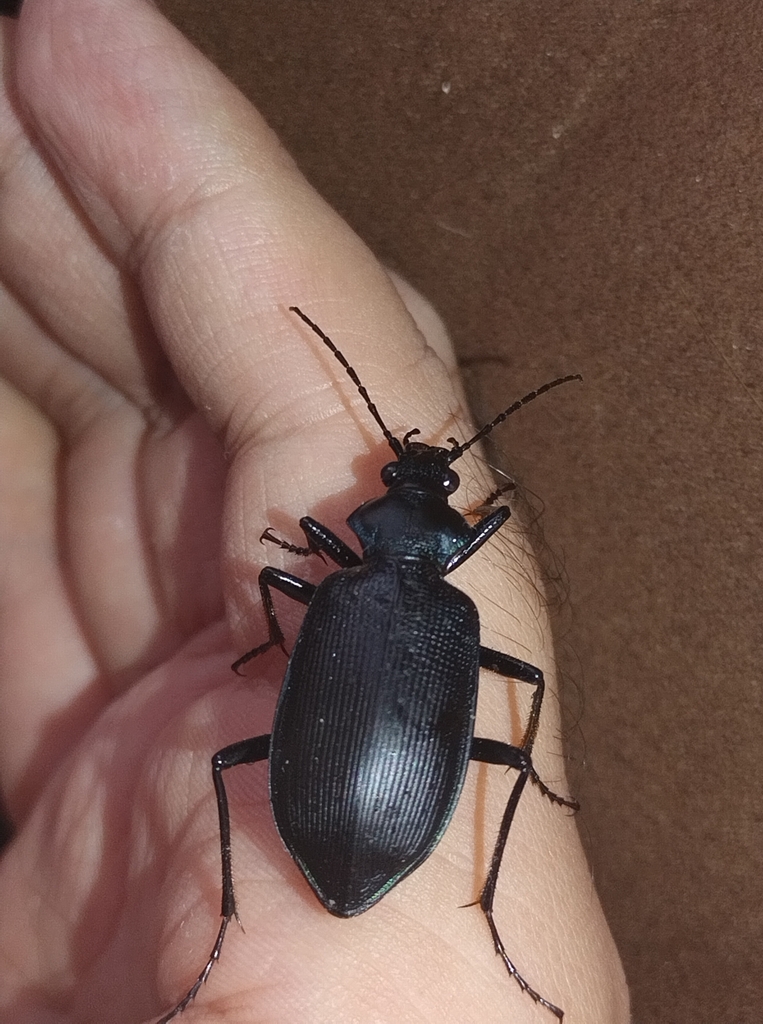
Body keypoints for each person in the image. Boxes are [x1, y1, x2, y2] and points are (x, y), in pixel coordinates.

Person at [0, 1, 628, 1021]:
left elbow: (286, 584)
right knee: (509, 752)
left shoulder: (328, 580)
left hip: (341, 798)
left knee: (232, 741)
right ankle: (487, 920)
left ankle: (295, 928)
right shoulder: (457, 612)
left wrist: (273, 641)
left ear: (385, 515)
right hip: (373, 810)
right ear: (453, 528)